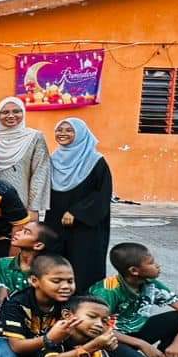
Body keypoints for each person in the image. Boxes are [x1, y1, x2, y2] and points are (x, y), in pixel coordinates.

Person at [46, 118, 112, 293]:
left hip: (85, 226)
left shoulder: (96, 161)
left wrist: (77, 212)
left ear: (81, 134)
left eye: (69, 130)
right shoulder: (53, 160)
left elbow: (102, 194)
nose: (62, 133)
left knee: (83, 267)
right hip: (55, 223)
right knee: (55, 265)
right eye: (59, 130)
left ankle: (85, 304)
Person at [0, 253, 77, 357]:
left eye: (70, 281)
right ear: (34, 281)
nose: (66, 286)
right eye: (56, 281)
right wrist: (49, 338)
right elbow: (17, 346)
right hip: (20, 354)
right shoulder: (16, 303)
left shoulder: (71, 303)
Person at [0, 97, 51, 220]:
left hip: (22, 203)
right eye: (5, 112)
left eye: (16, 111)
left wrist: (35, 208)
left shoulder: (34, 137)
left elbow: (40, 173)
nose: (11, 116)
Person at [0, 220, 57, 297]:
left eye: (26, 232)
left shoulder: (47, 272)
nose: (17, 233)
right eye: (21, 230)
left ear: (38, 245)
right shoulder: (3, 263)